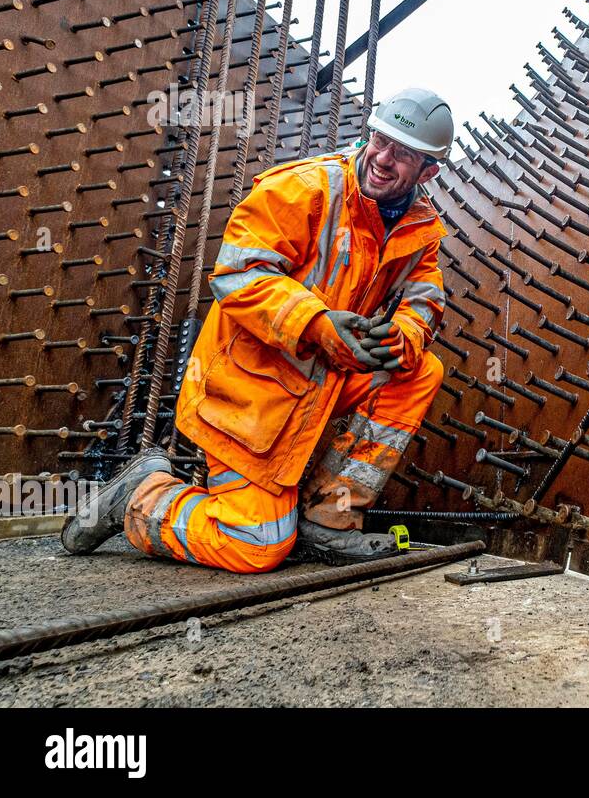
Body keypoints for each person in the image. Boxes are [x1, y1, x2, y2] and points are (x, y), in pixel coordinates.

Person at [61, 87, 456, 570]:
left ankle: (328, 520)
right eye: (380, 140)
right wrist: (314, 320)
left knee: (418, 370)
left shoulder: (418, 227)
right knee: (256, 546)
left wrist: (407, 334)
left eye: (405, 154)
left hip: (316, 388)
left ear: (428, 171)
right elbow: (237, 273)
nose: (383, 158)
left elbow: (426, 294)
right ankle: (144, 497)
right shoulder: (305, 189)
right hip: (248, 398)